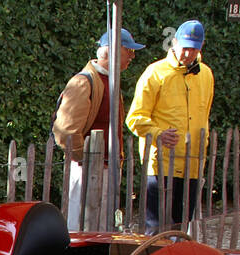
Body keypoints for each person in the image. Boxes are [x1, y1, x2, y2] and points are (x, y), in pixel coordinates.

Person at [125, 19, 215, 234]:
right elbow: (135, 117)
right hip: (161, 165)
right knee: (156, 231)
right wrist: (158, 134)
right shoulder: (154, 73)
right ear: (174, 43)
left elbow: (205, 115)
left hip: (192, 165)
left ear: (201, 48)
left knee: (181, 230)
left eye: (194, 49)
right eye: (185, 48)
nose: (188, 54)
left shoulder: (206, 75)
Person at [52, 27, 144, 231]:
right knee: (80, 226)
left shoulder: (111, 81)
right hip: (87, 170)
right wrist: (85, 160)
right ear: (112, 51)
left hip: (106, 169)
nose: (132, 56)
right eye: (129, 50)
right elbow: (65, 131)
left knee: (102, 228)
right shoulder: (84, 82)